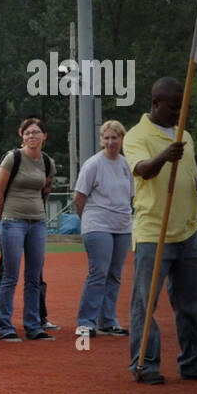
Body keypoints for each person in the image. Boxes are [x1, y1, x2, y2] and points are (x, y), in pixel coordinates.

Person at [123, 77, 197, 384]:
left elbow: (185, 177)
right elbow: (143, 170)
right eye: (173, 107)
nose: (179, 113)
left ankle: (195, 361)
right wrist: (164, 156)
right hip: (154, 234)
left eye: (183, 107)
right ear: (156, 104)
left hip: (188, 232)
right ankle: (145, 364)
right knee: (145, 303)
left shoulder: (186, 136)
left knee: (190, 303)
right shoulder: (136, 135)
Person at [0, 117, 56, 341]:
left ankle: (33, 325)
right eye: (28, 133)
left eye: (36, 132)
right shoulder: (13, 158)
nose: (32, 136)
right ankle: (5, 325)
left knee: (33, 277)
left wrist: (38, 213)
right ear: (22, 136)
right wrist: (4, 219)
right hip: (13, 220)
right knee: (10, 275)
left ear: (44, 136)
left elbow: (46, 190)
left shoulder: (48, 162)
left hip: (37, 221)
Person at [75, 120, 133, 338]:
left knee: (115, 275)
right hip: (98, 224)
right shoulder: (93, 164)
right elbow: (79, 196)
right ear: (101, 140)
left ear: (122, 139)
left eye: (114, 138)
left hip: (122, 225)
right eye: (106, 138)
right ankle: (86, 322)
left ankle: (107, 321)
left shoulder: (126, 164)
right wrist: (87, 221)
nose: (110, 142)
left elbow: (131, 195)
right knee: (98, 273)